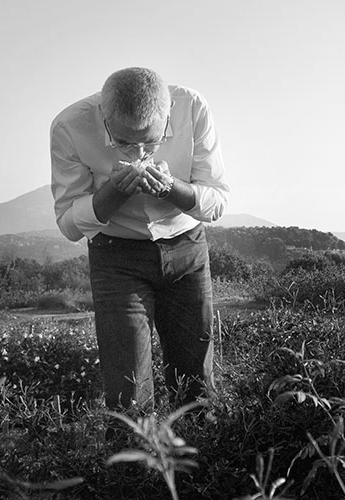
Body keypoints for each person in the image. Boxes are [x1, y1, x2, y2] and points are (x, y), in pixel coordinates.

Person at [50, 67, 229, 415]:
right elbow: (69, 225)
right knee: (126, 388)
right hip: (115, 258)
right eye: (125, 143)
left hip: (187, 248)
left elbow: (217, 201)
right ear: (104, 116)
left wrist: (172, 188)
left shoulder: (192, 107)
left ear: (168, 114)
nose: (139, 153)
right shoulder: (69, 127)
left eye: (151, 141)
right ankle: (132, 468)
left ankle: (197, 465)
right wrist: (112, 193)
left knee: (196, 384)